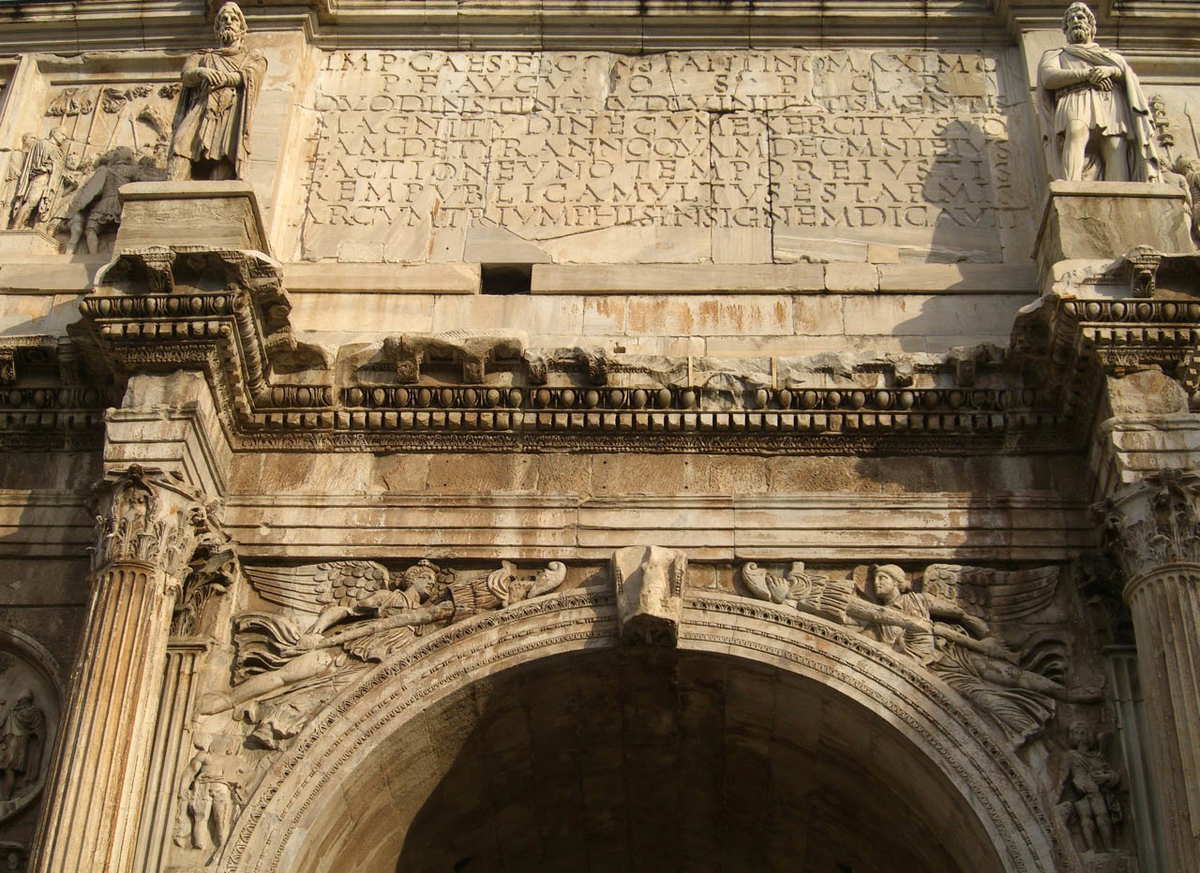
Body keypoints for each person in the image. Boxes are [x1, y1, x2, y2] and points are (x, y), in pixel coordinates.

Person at [1037, 2, 1160, 182]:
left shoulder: (1110, 56)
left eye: (1080, 18)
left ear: (1091, 26)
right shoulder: (1057, 54)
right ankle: (1071, 185)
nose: (1076, 21)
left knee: (1115, 146)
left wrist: (1111, 71)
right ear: (1065, 29)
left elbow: (1125, 74)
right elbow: (1049, 78)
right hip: (1074, 97)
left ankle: (1121, 193)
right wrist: (1088, 75)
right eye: (1071, 20)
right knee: (1076, 132)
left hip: (1110, 100)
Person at [168, 2, 267, 180]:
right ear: (218, 26)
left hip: (230, 110)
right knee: (181, 142)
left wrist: (225, 78)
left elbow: (251, 75)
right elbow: (186, 76)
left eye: (234, 19)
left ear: (242, 28)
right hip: (203, 106)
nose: (228, 21)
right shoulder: (202, 55)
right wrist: (202, 71)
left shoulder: (253, 57)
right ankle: (171, 186)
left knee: (224, 154)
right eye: (223, 19)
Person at [63, 147, 167, 254]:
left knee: (91, 229)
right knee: (125, 227)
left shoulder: (106, 170)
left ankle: (93, 254)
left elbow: (93, 191)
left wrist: (77, 208)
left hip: (104, 204)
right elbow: (145, 178)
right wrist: (166, 176)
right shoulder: (131, 169)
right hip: (122, 203)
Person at [1058, 720, 1121, 853]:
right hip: (1080, 790)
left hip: (1095, 789)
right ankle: (1091, 848)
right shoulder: (1069, 756)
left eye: (1083, 732)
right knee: (1086, 818)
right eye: (1076, 732)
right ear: (1072, 736)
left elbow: (1110, 774)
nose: (1080, 735)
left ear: (1089, 735)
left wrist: (1106, 777)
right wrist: (1058, 792)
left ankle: (1109, 847)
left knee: (1102, 815)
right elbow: (1063, 776)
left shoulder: (1096, 756)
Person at [7, 129, 67, 229]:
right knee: (31, 201)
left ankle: (24, 224)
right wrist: (49, 166)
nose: (64, 137)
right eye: (62, 134)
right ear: (54, 133)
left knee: (37, 204)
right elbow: (38, 163)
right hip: (41, 177)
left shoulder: (57, 149)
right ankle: (15, 225)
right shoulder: (43, 144)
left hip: (50, 180)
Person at [0, 690, 44, 800]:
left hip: (10, 745)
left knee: (9, 771)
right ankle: (5, 797)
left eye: (20, 701)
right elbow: (39, 730)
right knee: (9, 772)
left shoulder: (13, 713)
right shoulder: (32, 712)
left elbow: (4, 729)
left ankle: (5, 797)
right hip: (16, 746)